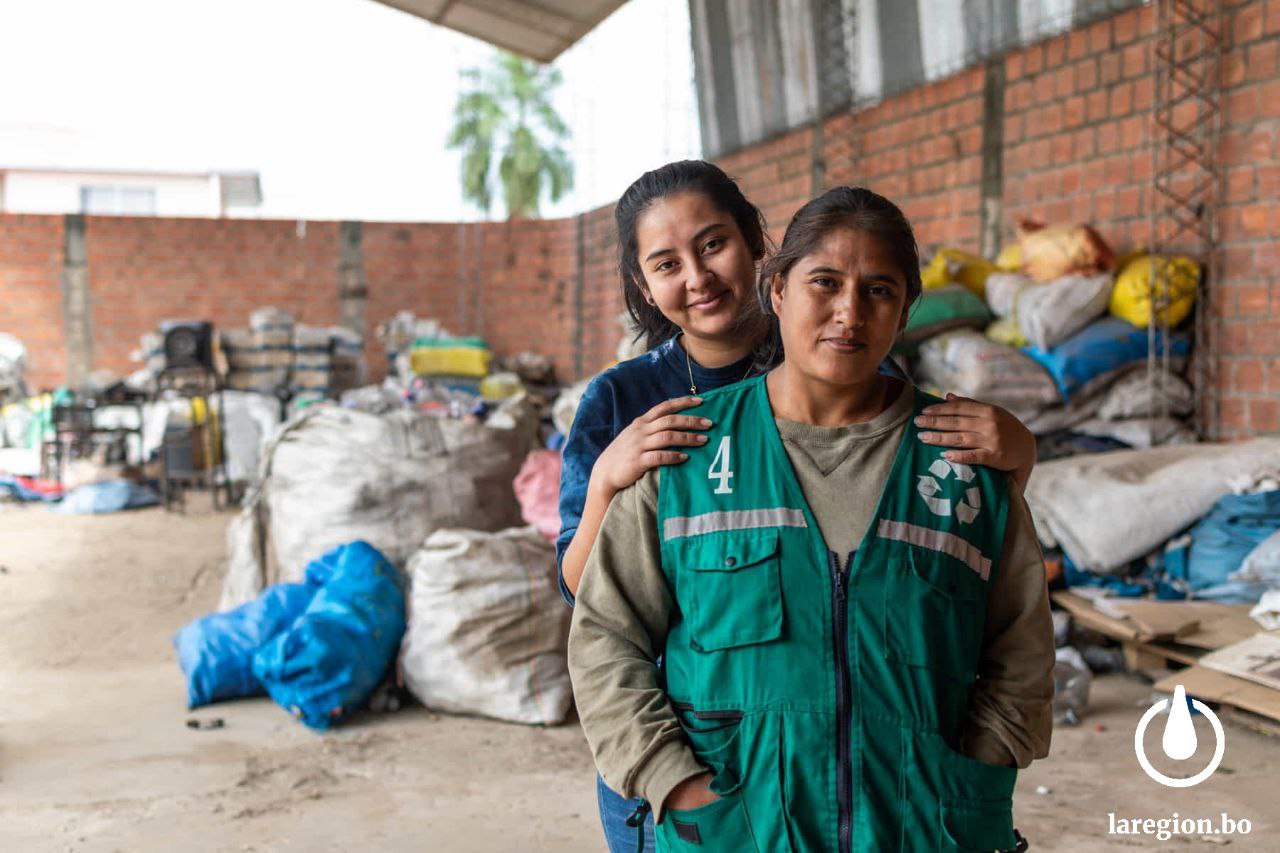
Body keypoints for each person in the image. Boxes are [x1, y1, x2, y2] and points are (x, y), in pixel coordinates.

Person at [557, 161, 1038, 851]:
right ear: (784, 287)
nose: (697, 276)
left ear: (758, 248)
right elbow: (597, 614)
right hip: (708, 774)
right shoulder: (648, 425)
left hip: (913, 803)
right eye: (666, 262)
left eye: (712, 244)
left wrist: (981, 768)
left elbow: (1013, 630)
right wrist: (672, 782)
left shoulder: (921, 426)